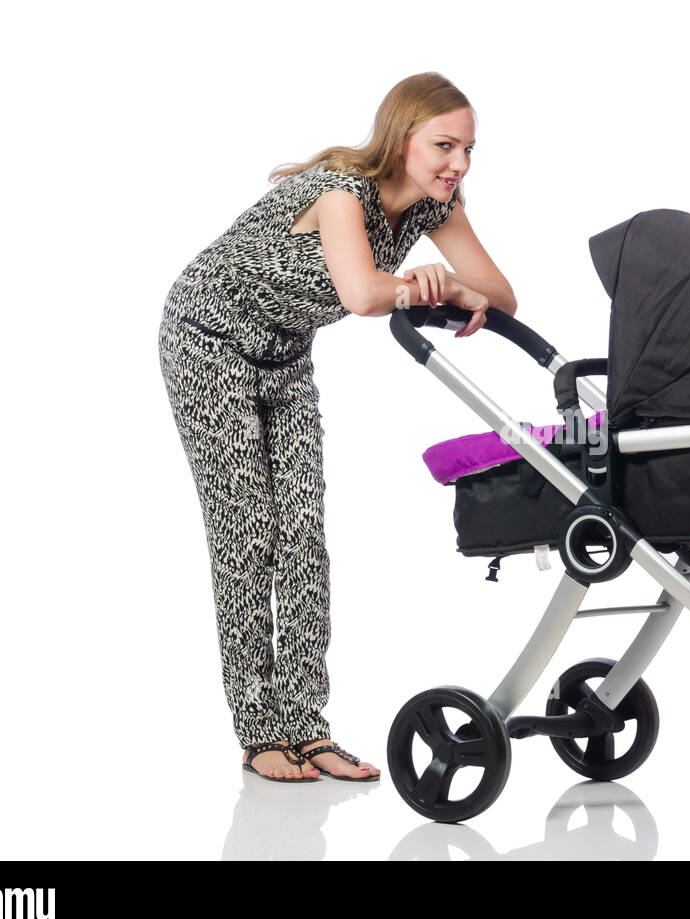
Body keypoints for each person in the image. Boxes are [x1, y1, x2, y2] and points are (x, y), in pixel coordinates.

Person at [157, 72, 516, 783]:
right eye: (444, 146)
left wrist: (460, 284)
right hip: (207, 339)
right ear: (401, 137)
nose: (459, 165)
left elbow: (502, 295)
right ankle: (261, 731)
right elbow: (361, 294)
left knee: (302, 535)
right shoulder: (342, 192)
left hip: (282, 353)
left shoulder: (433, 208)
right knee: (247, 532)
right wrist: (426, 284)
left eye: (469, 149)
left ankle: (308, 728)